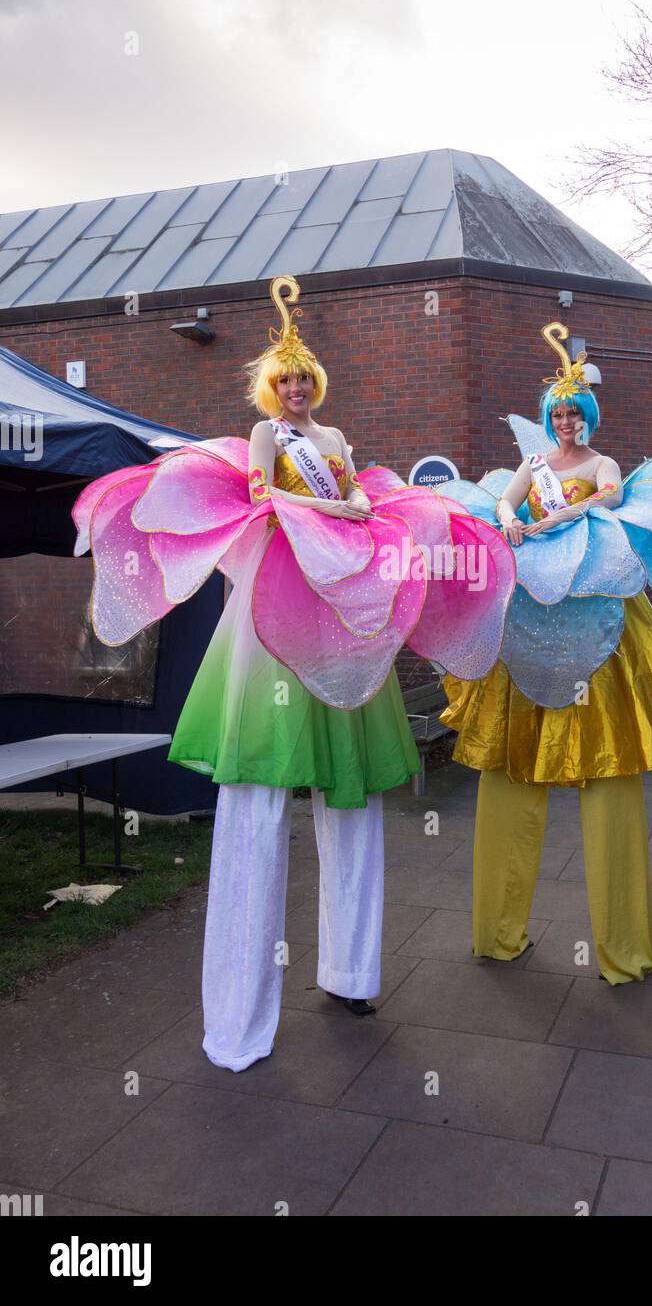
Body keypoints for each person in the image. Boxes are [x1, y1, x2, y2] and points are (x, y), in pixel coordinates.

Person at [72, 275, 514, 1071]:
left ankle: (353, 972)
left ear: (318, 385)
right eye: (285, 380)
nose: (296, 388)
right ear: (270, 389)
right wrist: (327, 513)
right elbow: (258, 497)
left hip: (342, 625)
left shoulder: (337, 441)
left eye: (305, 378)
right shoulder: (267, 437)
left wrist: (351, 517)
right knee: (257, 805)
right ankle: (238, 1012)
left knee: (350, 804)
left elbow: (355, 504)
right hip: (270, 628)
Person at [439, 322, 652, 984]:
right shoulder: (534, 467)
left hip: (603, 614)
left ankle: (621, 952)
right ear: (550, 419)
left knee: (606, 773)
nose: (567, 420)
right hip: (533, 612)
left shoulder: (601, 465)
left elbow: (609, 496)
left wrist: (552, 519)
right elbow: (504, 503)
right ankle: (497, 935)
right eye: (559, 413)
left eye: (575, 411)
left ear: (588, 417)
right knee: (513, 769)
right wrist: (511, 519)